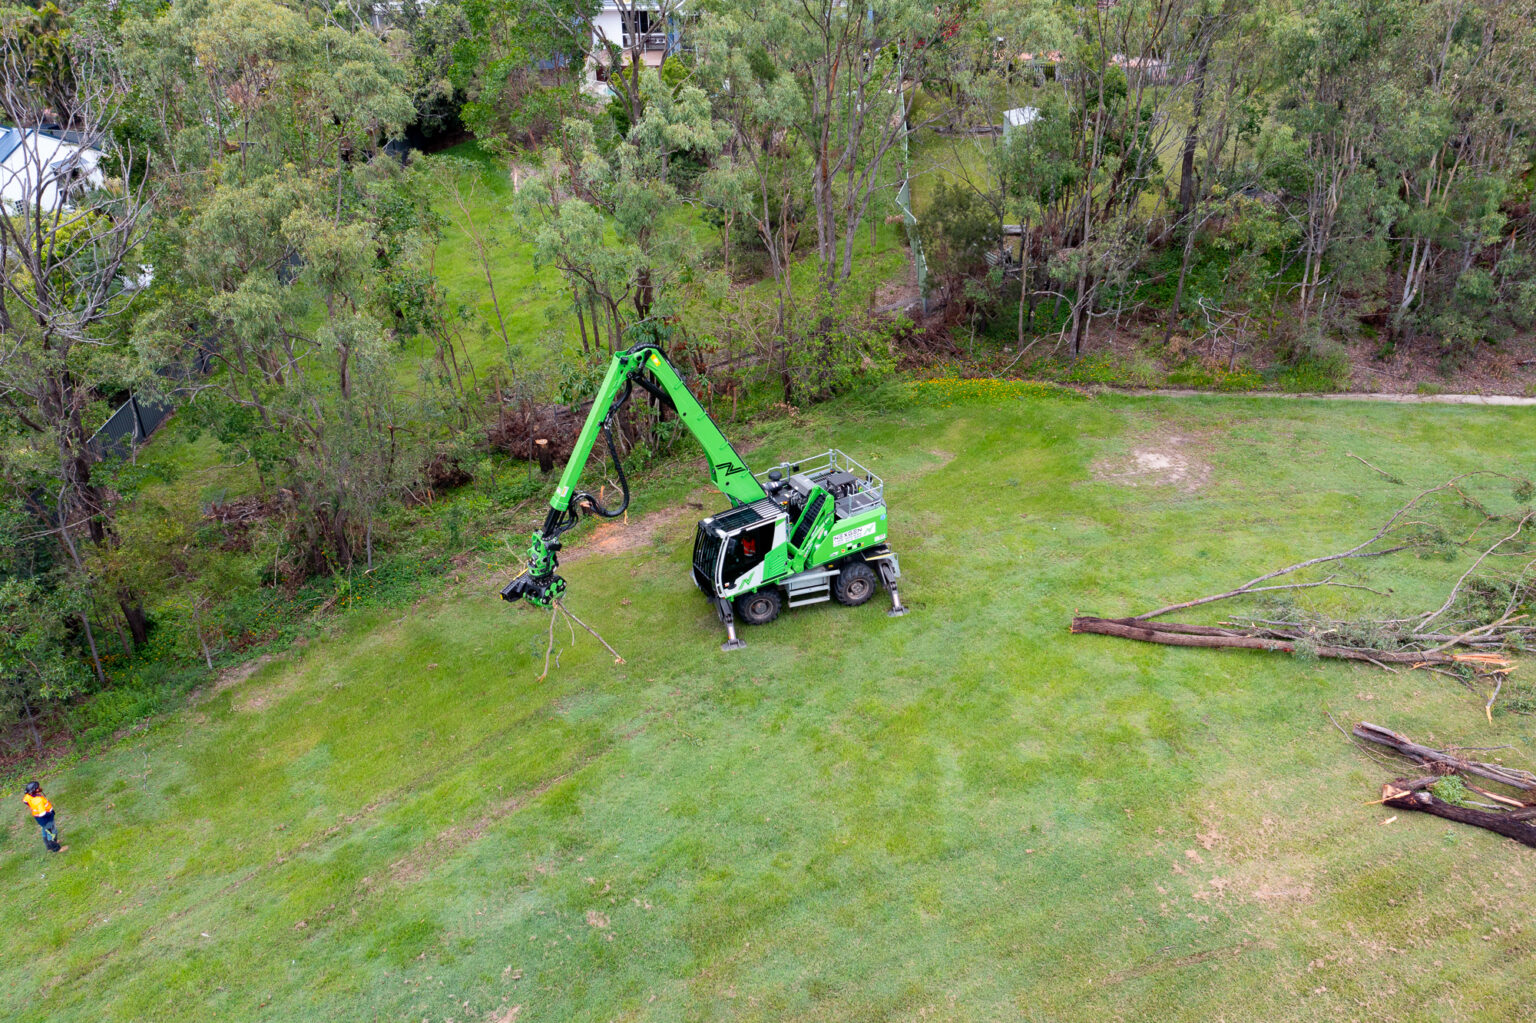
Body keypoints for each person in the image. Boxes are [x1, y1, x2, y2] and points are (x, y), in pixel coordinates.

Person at [23, 781, 60, 852]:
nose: (40, 787)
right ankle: (56, 848)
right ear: (36, 789)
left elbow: (25, 801)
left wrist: (32, 806)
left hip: (38, 818)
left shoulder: (28, 795)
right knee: (52, 832)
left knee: (45, 830)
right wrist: (50, 813)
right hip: (45, 818)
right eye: (38, 786)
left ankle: (49, 846)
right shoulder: (38, 801)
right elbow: (43, 814)